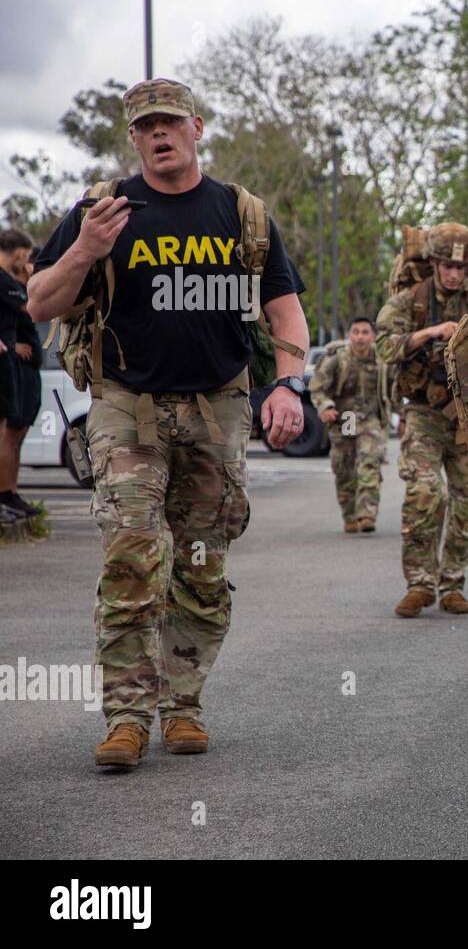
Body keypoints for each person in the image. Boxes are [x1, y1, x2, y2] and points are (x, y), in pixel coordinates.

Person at [25, 77, 310, 768]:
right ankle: (127, 716)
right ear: (133, 137)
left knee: (203, 567)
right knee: (131, 555)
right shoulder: (103, 210)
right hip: (129, 406)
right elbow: (37, 302)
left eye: (170, 122)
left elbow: (284, 309)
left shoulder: (240, 213)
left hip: (218, 406)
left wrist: (292, 385)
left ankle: (183, 704)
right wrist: (86, 249)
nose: (159, 134)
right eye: (146, 125)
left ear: (197, 128)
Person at [377, 223, 468, 618]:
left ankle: (453, 584)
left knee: (465, 501)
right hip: (424, 411)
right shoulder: (410, 302)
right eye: (446, 266)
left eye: (461, 268)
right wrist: (428, 333)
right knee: (425, 492)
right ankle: (420, 584)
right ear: (433, 264)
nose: (454, 274)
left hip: (467, 417)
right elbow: (383, 347)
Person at [309, 316, 385, 533]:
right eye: (356, 332)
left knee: (369, 462)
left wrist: (402, 418)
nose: (360, 337)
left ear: (373, 336)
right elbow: (317, 387)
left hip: (369, 421)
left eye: (364, 332)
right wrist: (325, 407)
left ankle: (367, 514)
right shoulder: (337, 360)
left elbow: (392, 392)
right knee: (344, 470)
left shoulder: (381, 361)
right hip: (343, 420)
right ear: (349, 335)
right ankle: (350, 515)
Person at [0, 228, 39, 520]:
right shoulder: (6, 281)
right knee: (6, 434)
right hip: (11, 365)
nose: (27, 262)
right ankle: (5, 494)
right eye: (25, 257)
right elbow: (34, 306)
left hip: (16, 365)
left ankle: (9, 494)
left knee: (12, 432)